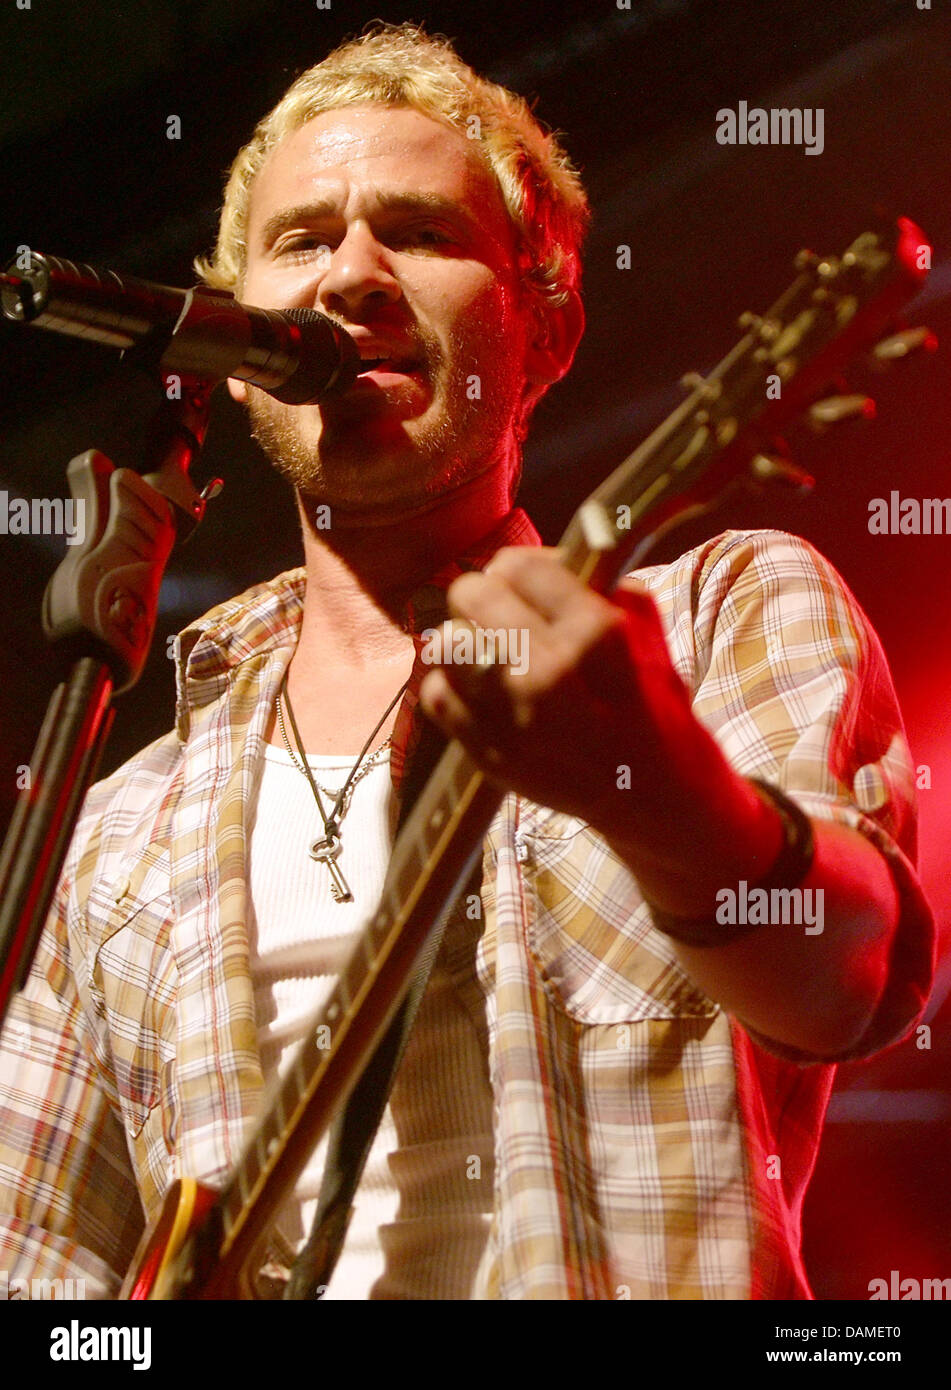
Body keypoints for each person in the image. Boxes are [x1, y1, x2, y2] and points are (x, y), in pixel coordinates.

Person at [0, 23, 934, 1301]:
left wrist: (653, 784)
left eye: (421, 233)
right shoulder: (117, 829)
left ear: (545, 328)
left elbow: (855, 980)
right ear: (224, 339)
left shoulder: (718, 614)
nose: (352, 277)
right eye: (302, 241)